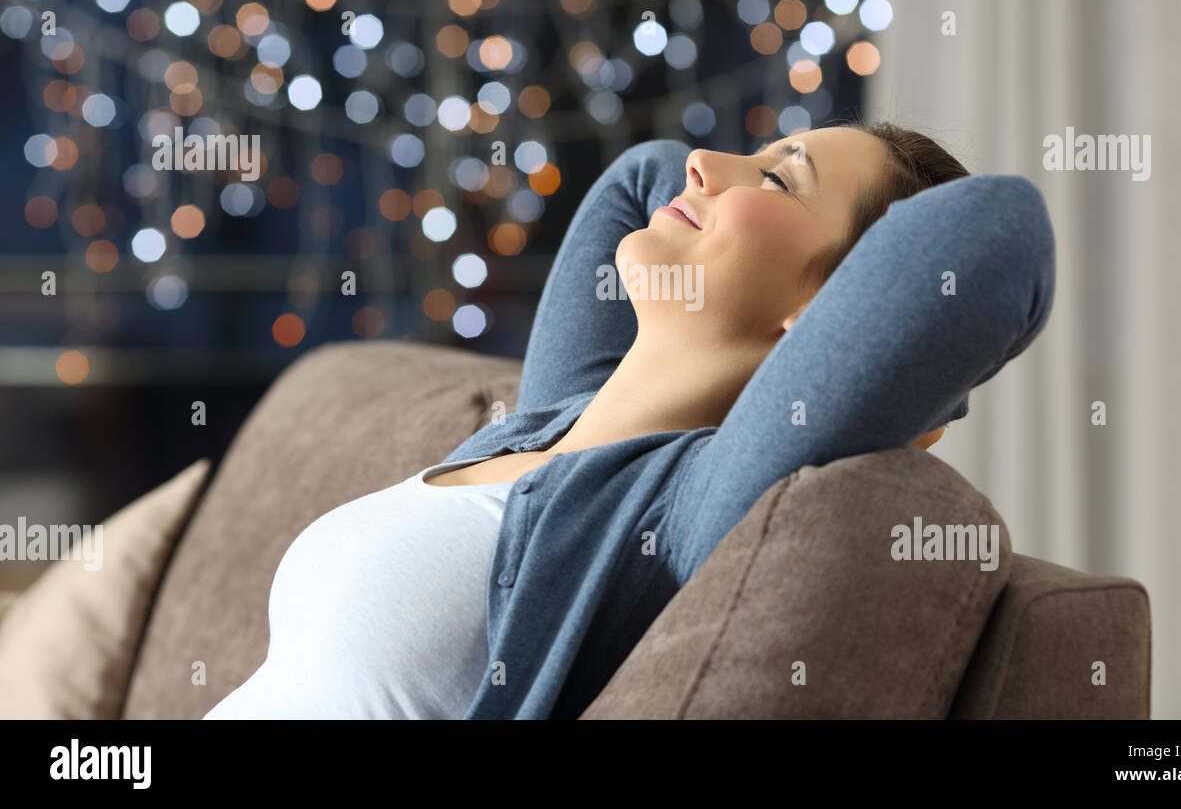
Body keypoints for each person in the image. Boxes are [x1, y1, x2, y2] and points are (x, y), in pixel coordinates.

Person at [205, 119, 1055, 720]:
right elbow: (641, 174)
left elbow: (997, 232)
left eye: (776, 178)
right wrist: (762, 187)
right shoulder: (539, 427)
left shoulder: (681, 510)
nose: (702, 163)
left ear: (836, 310)